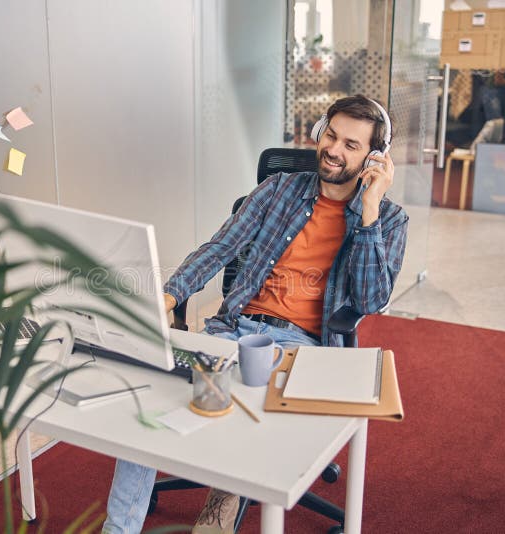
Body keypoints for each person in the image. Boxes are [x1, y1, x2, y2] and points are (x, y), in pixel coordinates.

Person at [102, 94, 409, 534]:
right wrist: (167, 298)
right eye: (331, 135)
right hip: (231, 329)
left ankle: (212, 525)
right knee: (149, 409)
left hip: (301, 347)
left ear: (375, 157)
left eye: (352, 145)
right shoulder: (278, 189)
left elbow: (370, 299)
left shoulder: (390, 221)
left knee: (249, 427)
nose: (334, 150)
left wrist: (370, 209)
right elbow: (219, 248)